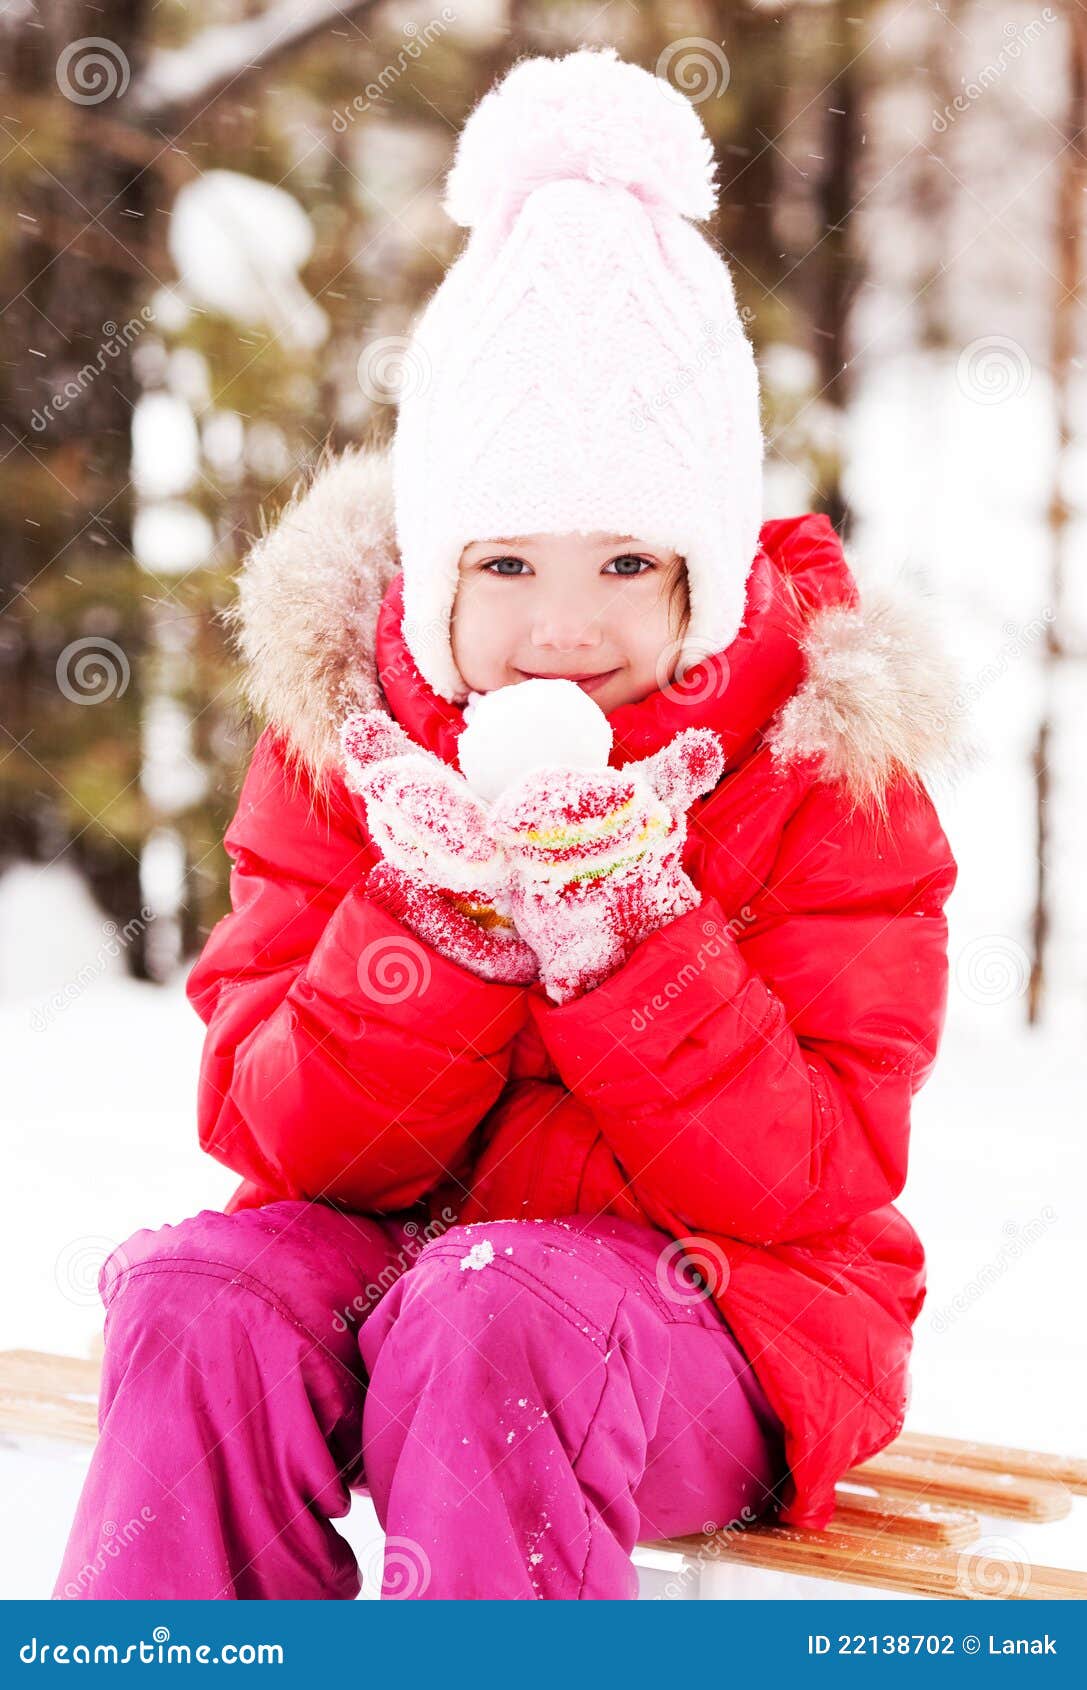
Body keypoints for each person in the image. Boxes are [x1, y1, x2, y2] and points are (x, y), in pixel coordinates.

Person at [54, 46, 964, 1602]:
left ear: (707, 577)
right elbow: (272, 1136)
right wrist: (436, 927)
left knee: (496, 1308)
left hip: (727, 1305)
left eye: (627, 565)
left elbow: (816, 1166)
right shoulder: (353, 747)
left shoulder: (818, 764)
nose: (561, 631)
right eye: (506, 565)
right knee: (203, 1293)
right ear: (430, 568)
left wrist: (630, 942)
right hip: (400, 1269)